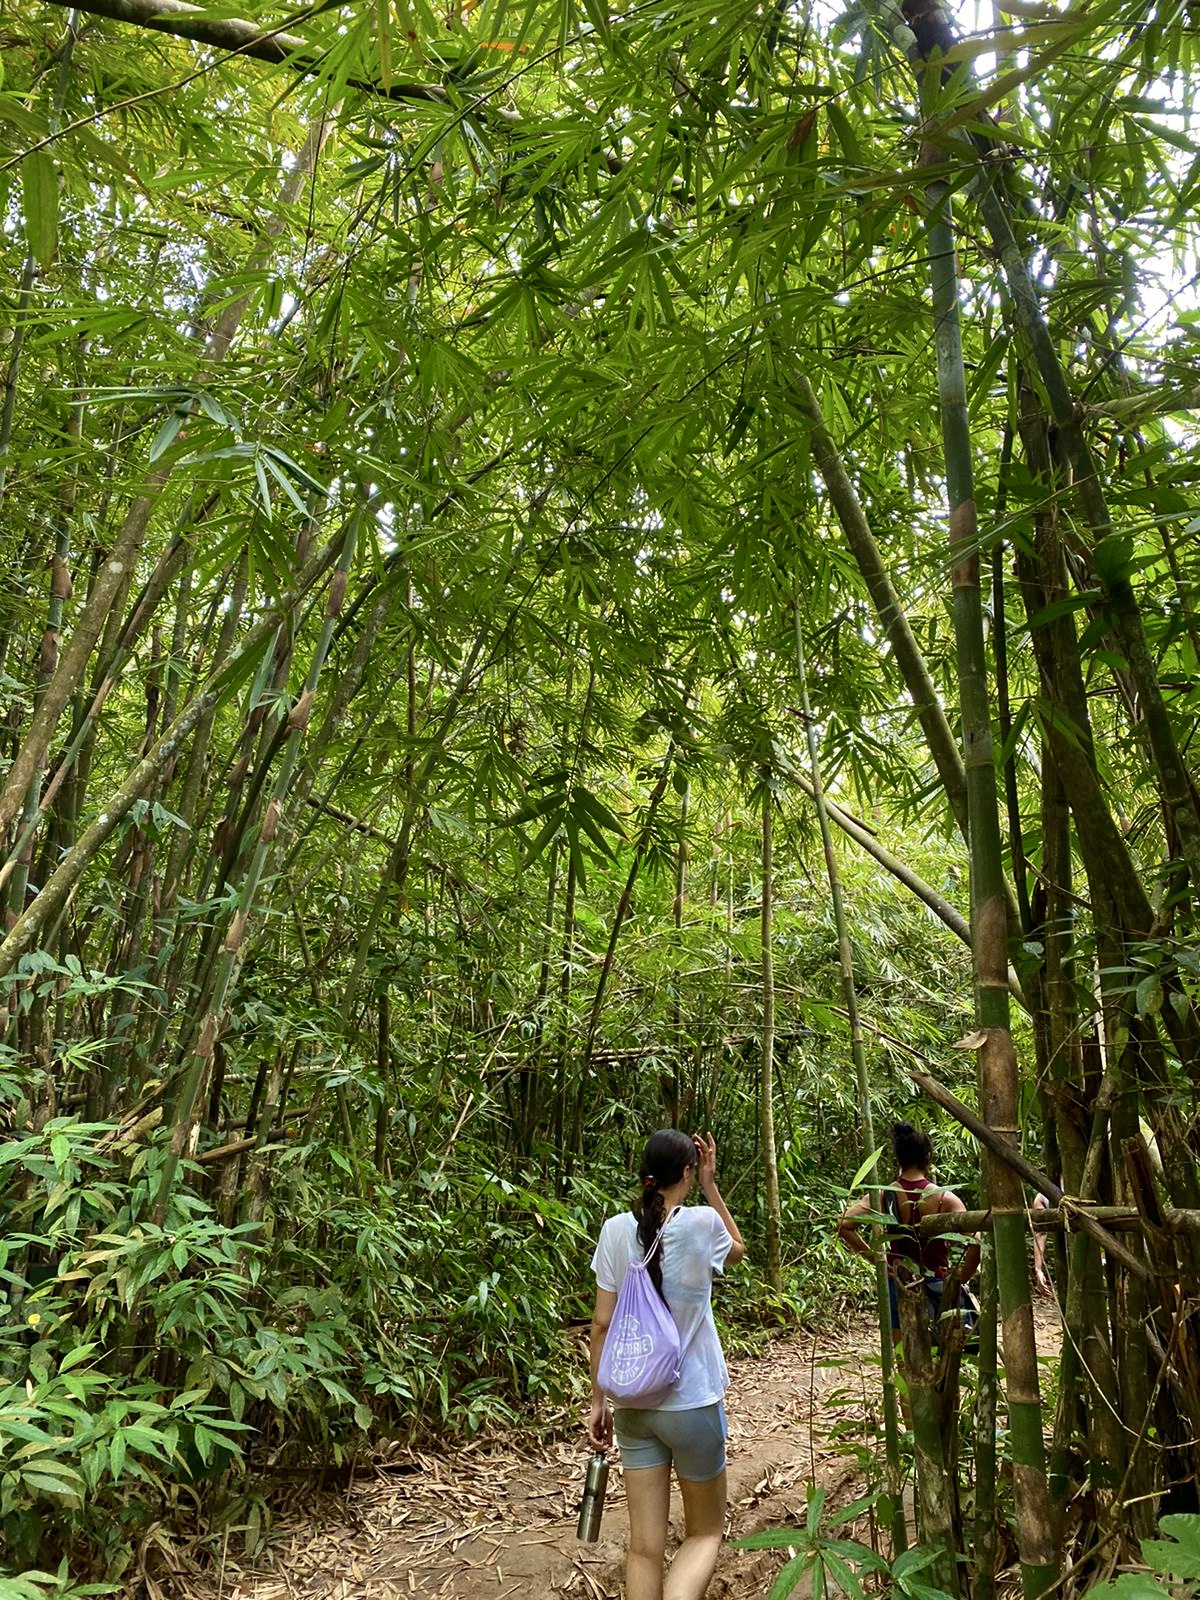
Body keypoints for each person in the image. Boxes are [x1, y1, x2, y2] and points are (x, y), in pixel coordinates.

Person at [588, 1130, 745, 1600]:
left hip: (632, 1403)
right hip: (692, 1401)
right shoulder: (702, 1224)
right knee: (704, 1533)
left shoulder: (614, 1230)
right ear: (687, 1173)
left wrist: (599, 1401)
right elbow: (737, 1249)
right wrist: (711, 1185)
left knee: (643, 1548)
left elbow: (601, 1324)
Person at [837, 1121, 979, 1344]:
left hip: (899, 1283)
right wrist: (960, 1278)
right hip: (938, 1283)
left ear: (899, 1158)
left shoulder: (884, 1195)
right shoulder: (944, 1198)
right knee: (945, 1351)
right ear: (927, 1158)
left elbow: (844, 1224)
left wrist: (877, 1260)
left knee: (903, 1352)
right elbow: (976, 1241)